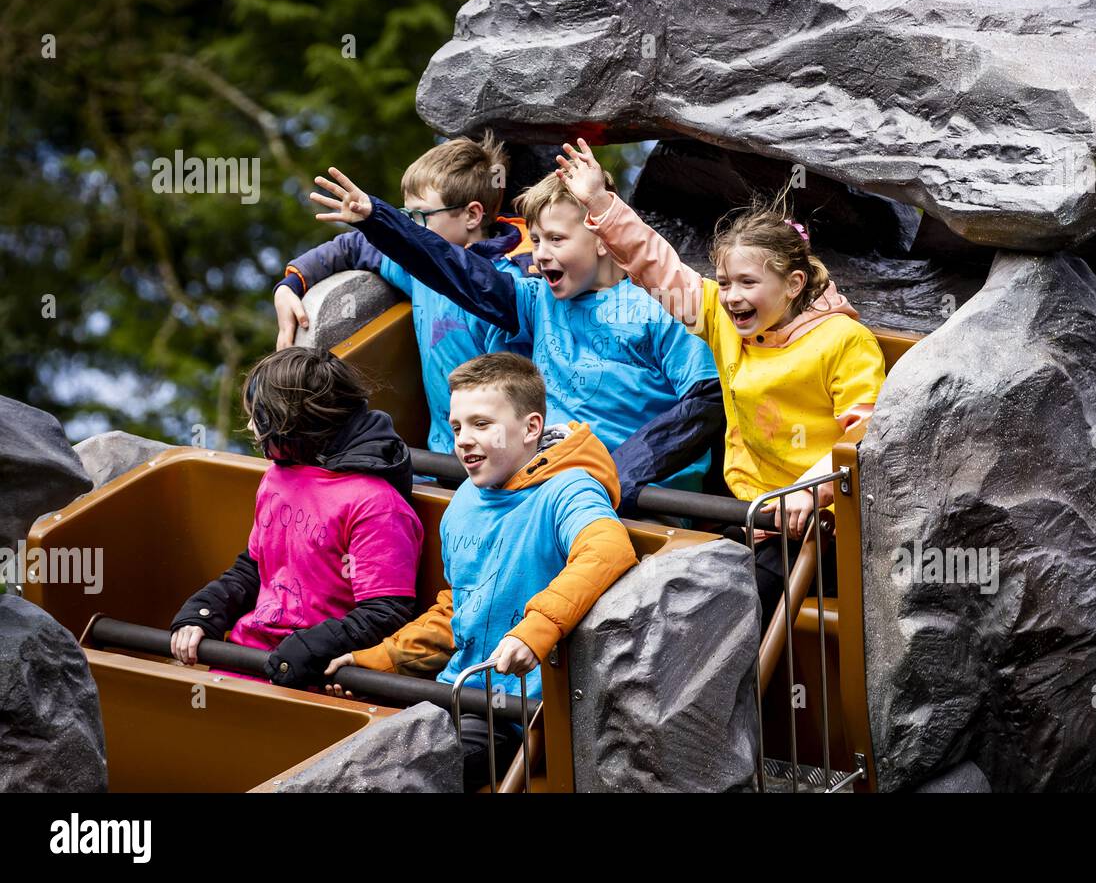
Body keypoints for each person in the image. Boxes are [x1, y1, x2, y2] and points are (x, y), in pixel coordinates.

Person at [556, 138, 885, 629]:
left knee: (719, 620)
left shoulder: (844, 340)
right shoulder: (721, 318)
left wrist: (804, 492)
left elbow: (863, 435)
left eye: (747, 283)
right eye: (725, 282)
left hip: (817, 530)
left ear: (794, 284)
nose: (731, 296)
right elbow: (655, 266)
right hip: (747, 515)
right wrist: (601, 202)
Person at [307, 162, 724, 513]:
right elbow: (455, 270)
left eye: (557, 240)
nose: (540, 254)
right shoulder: (536, 300)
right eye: (537, 239)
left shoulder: (659, 308)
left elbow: (708, 398)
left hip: (641, 501)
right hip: (544, 490)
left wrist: (615, 474)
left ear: (602, 239)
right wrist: (378, 219)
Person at [324, 352, 637, 789]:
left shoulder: (570, 487)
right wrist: (376, 662)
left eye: (481, 425)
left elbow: (607, 549)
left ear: (531, 428)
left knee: (392, 779)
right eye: (456, 428)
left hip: (517, 713)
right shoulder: (466, 501)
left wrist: (535, 629)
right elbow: (459, 612)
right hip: (450, 694)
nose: (463, 441)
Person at [169, 347, 423, 686]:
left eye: (260, 417)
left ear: (296, 424)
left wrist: (309, 649)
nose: (249, 426)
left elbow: (385, 611)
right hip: (250, 655)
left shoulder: (376, 503)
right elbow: (253, 569)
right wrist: (202, 614)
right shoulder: (277, 477)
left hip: (313, 673)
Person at [272, 131, 532, 453]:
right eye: (405, 217)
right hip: (443, 453)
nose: (409, 228)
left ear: (472, 214)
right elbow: (353, 245)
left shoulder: (513, 280)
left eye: (419, 217)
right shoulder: (414, 265)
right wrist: (289, 285)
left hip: (504, 456)